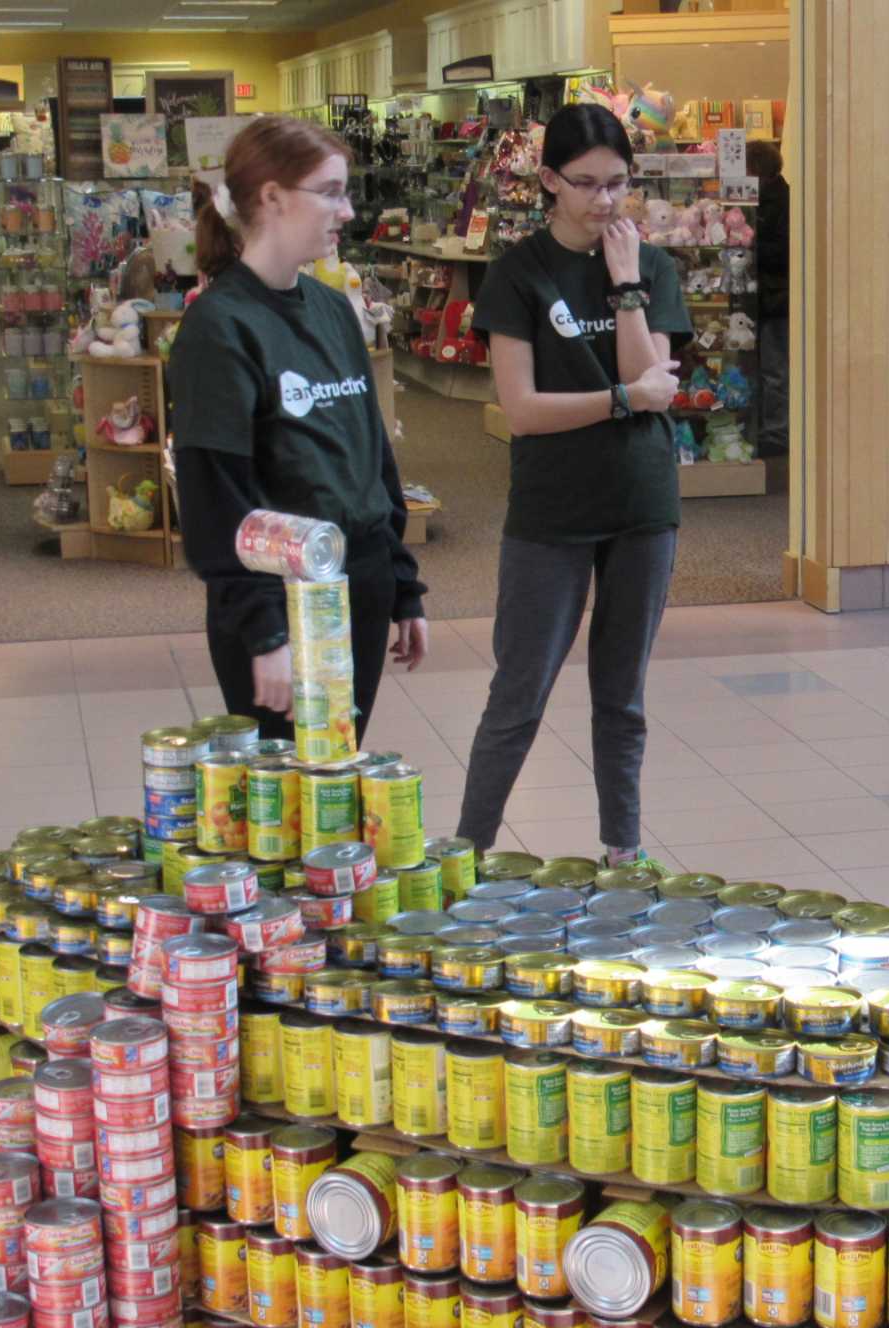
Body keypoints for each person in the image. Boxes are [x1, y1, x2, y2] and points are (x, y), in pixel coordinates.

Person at [456, 103, 690, 865]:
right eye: (586, 183)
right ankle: (470, 851)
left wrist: (624, 287)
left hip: (642, 506)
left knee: (622, 699)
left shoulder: (650, 267)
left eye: (619, 183)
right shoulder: (516, 274)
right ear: (549, 180)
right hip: (551, 511)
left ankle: (624, 852)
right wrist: (624, 402)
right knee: (518, 693)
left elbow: (645, 369)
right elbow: (523, 411)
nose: (605, 200)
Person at [168, 115, 428, 744]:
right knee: (284, 803)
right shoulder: (220, 328)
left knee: (339, 774)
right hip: (277, 599)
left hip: (356, 582)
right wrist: (262, 631)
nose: (346, 210)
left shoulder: (335, 309)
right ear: (273, 197)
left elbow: (372, 460)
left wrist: (400, 583)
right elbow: (212, 499)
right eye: (331, 191)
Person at [745, 139, 788, 457]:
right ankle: (759, 428)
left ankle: (775, 433)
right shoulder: (764, 200)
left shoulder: (779, 202)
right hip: (762, 296)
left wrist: (751, 249)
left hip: (775, 297)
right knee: (758, 367)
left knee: (774, 369)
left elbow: (785, 252)